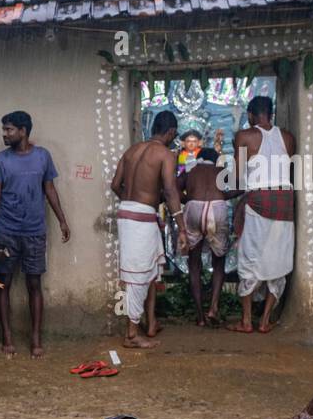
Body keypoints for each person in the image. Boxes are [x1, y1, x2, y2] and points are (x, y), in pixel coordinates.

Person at [0, 110, 71, 357]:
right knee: (3, 283)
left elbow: (49, 189)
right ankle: (7, 337)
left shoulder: (42, 156)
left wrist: (62, 220)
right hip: (6, 231)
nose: (5, 134)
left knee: (34, 283)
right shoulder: (0, 160)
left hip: (34, 231)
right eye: (4, 129)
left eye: (9, 129)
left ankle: (36, 339)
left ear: (23, 130)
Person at [110, 111, 188, 349]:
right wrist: (182, 227)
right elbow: (170, 190)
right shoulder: (165, 154)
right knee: (138, 275)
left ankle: (151, 322)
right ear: (171, 132)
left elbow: (115, 185)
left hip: (129, 212)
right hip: (142, 217)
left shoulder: (131, 151)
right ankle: (132, 334)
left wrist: (131, 204)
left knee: (151, 269)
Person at [230, 95, 297, 334]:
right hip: (285, 202)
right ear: (271, 113)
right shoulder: (288, 138)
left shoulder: (244, 136)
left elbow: (237, 176)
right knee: (278, 257)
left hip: (258, 200)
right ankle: (265, 321)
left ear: (250, 115)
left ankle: (246, 320)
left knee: (250, 258)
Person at [182, 147, 242, 327]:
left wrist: (191, 199)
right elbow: (236, 188)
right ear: (216, 160)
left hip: (193, 208)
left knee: (194, 263)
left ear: (199, 159)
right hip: (217, 207)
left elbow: (173, 190)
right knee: (219, 261)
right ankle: (214, 308)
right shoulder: (220, 171)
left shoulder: (191, 171)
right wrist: (224, 196)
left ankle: (200, 316)